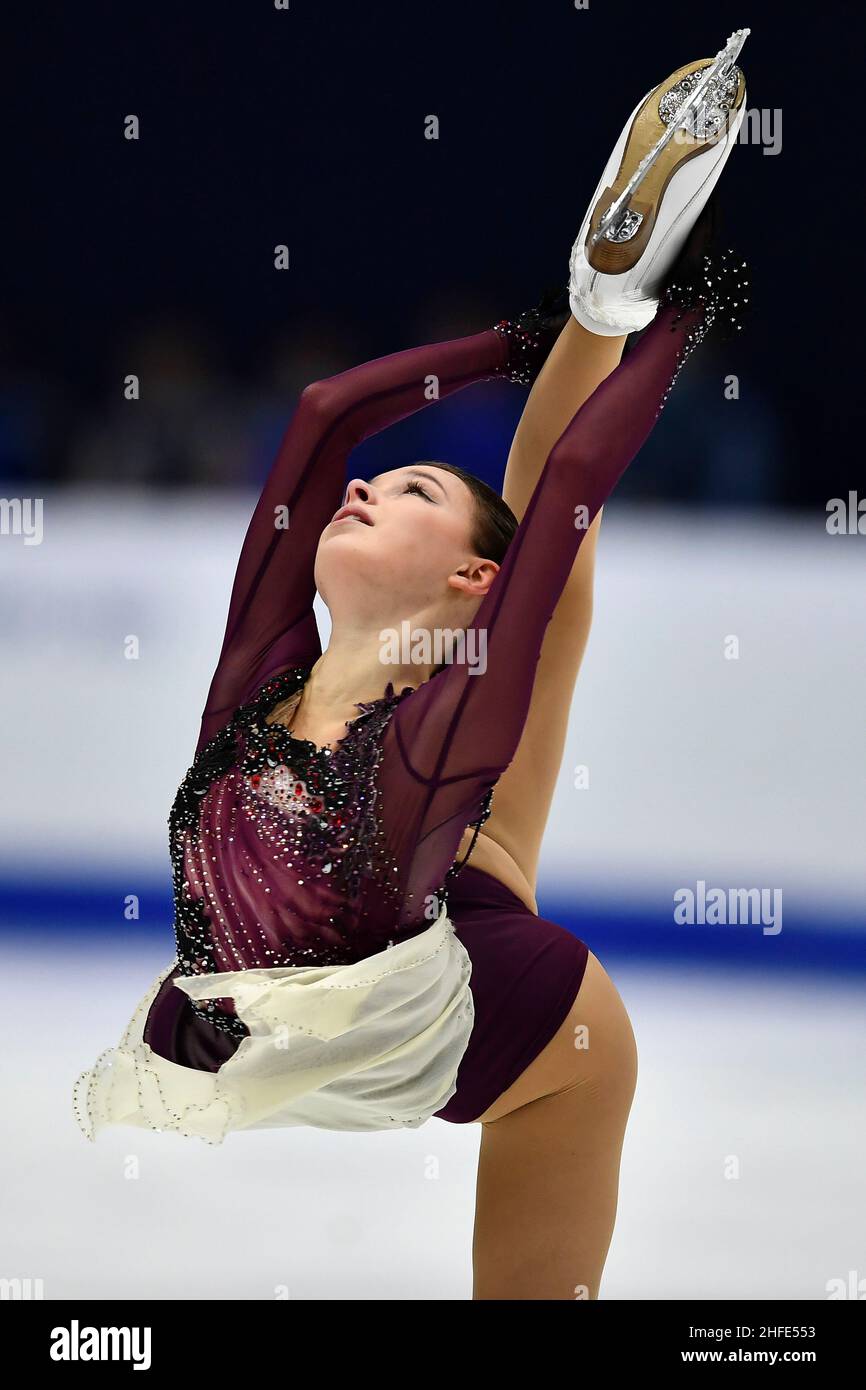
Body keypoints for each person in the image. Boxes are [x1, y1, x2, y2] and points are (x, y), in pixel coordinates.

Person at [74, 30, 752, 1299]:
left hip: (489, 990)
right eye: (383, 480)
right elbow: (330, 413)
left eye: (416, 485)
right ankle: (594, 304)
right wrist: (534, 325)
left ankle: (603, 305)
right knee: (528, 619)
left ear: (465, 575)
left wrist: (662, 315)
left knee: (548, 596)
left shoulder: (462, 704)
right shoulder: (257, 677)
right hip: (356, 941)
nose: (370, 484)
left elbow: (560, 497)